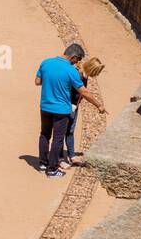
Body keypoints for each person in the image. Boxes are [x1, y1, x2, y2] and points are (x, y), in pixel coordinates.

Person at [36, 43, 106, 178]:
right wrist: (98, 105)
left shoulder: (46, 62)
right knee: (57, 138)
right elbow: (84, 92)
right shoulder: (71, 71)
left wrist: (52, 80)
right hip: (61, 109)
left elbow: (38, 82)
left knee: (44, 135)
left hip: (45, 106)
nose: (78, 62)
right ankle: (52, 169)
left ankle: (42, 164)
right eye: (78, 59)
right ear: (73, 57)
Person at [62, 56, 105, 169]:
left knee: (70, 131)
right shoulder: (77, 74)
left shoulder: (84, 75)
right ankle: (59, 158)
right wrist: (98, 105)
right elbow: (84, 93)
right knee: (61, 132)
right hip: (66, 106)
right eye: (97, 72)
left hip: (73, 106)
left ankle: (71, 156)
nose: (97, 75)